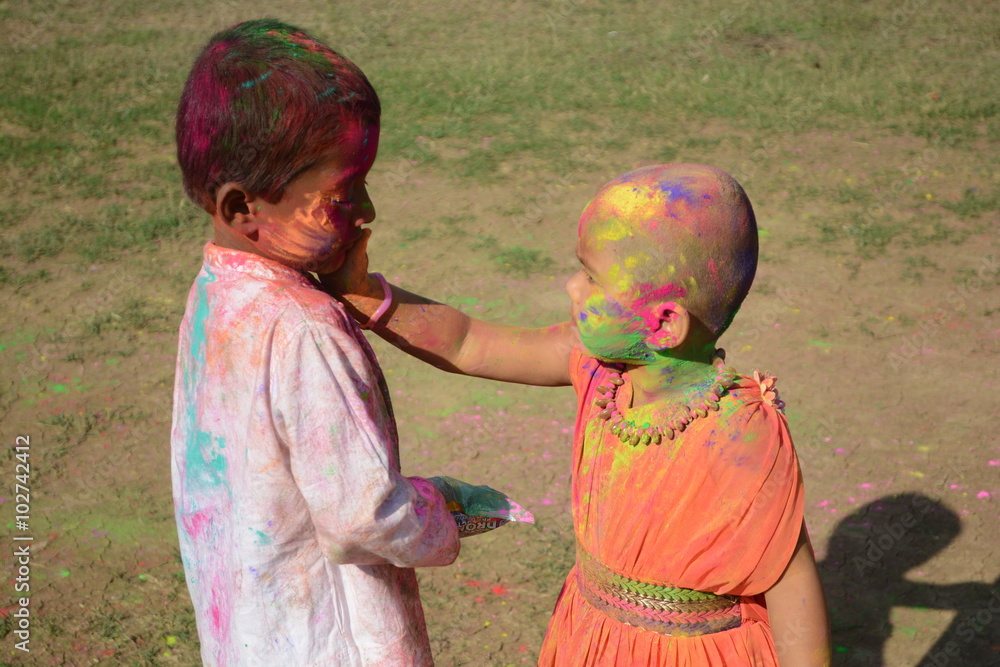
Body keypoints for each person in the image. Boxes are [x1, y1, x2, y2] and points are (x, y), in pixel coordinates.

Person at [321, 163, 832, 665]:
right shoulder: (600, 367)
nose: (572, 286)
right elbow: (470, 342)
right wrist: (369, 296)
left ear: (664, 323)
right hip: (592, 636)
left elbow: (790, 582)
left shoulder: (739, 432)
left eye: (592, 277)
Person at [171, 19, 461, 666]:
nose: (367, 209)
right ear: (245, 206)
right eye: (343, 191)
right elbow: (366, 514)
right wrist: (441, 515)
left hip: (253, 633)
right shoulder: (304, 328)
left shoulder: (213, 295)